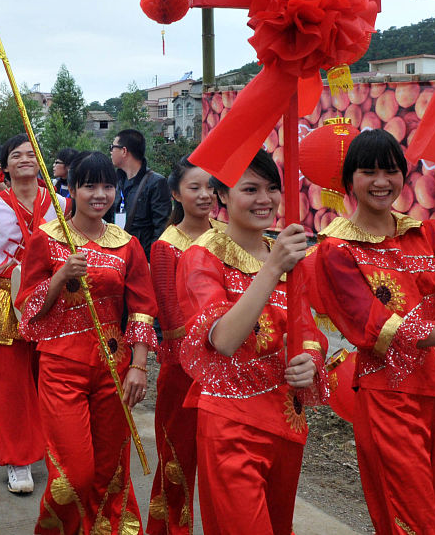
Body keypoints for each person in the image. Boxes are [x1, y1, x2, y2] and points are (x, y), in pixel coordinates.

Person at [305, 128, 435, 535]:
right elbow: (374, 328)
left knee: (422, 514)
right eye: (368, 172)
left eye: (391, 171)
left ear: (404, 176)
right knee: (415, 520)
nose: (381, 182)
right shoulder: (336, 250)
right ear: (349, 181)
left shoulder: (425, 233)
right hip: (387, 395)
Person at [177, 149, 326, 535]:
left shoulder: (288, 255)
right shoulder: (201, 257)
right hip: (231, 426)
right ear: (222, 195)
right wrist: (274, 267)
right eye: (250, 189)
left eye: (272, 188)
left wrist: (309, 359)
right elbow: (223, 339)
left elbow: (307, 329)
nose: (265, 199)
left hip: (286, 422)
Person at [17, 150, 158, 535]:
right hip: (61, 367)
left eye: (108, 186)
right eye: (89, 185)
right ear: (72, 189)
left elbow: (143, 308)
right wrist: (60, 276)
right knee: (72, 475)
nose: (99, 194)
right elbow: (28, 309)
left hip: (114, 369)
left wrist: (139, 366)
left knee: (109, 471)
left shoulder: (127, 244)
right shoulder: (46, 240)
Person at [0, 133, 65, 494]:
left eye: (31, 153)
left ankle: (56, 454)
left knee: (52, 380)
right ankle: (18, 461)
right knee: (9, 384)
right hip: (7, 299)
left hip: (52, 299)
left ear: (40, 162)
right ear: (3, 166)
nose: (24, 159)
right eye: (16, 155)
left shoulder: (60, 204)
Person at [146, 158, 221, 534]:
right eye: (195, 188)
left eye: (210, 187)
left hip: (231, 370)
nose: (205, 195)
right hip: (184, 372)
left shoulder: (227, 237)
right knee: (178, 459)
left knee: (221, 466)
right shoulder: (166, 247)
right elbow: (172, 323)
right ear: (176, 193)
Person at [109, 128, 172, 259]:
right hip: (118, 255)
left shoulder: (156, 182)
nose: (110, 151)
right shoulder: (116, 182)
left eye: (112, 147)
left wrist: (151, 260)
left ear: (124, 151)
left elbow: (161, 227)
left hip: (142, 259)